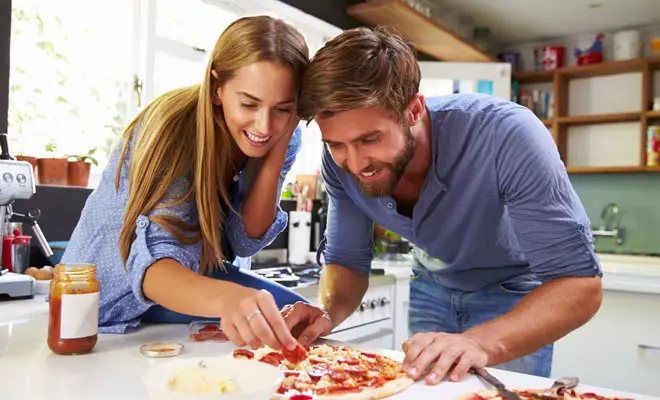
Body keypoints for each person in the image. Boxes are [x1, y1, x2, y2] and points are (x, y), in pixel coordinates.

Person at [281, 27, 603, 382]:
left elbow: (580, 286)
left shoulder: (508, 135)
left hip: (513, 295)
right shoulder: (338, 164)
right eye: (336, 144)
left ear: (414, 109)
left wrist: (480, 343)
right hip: (431, 287)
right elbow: (347, 261)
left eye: (370, 138)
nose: (355, 164)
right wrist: (325, 312)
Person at [61, 15, 309, 351]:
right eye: (249, 104)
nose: (264, 125)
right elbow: (153, 269)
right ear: (218, 87)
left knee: (300, 322)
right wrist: (228, 299)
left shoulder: (281, 135)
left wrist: (278, 146)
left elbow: (245, 239)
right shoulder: (172, 130)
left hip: (192, 283)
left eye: (283, 108)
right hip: (104, 300)